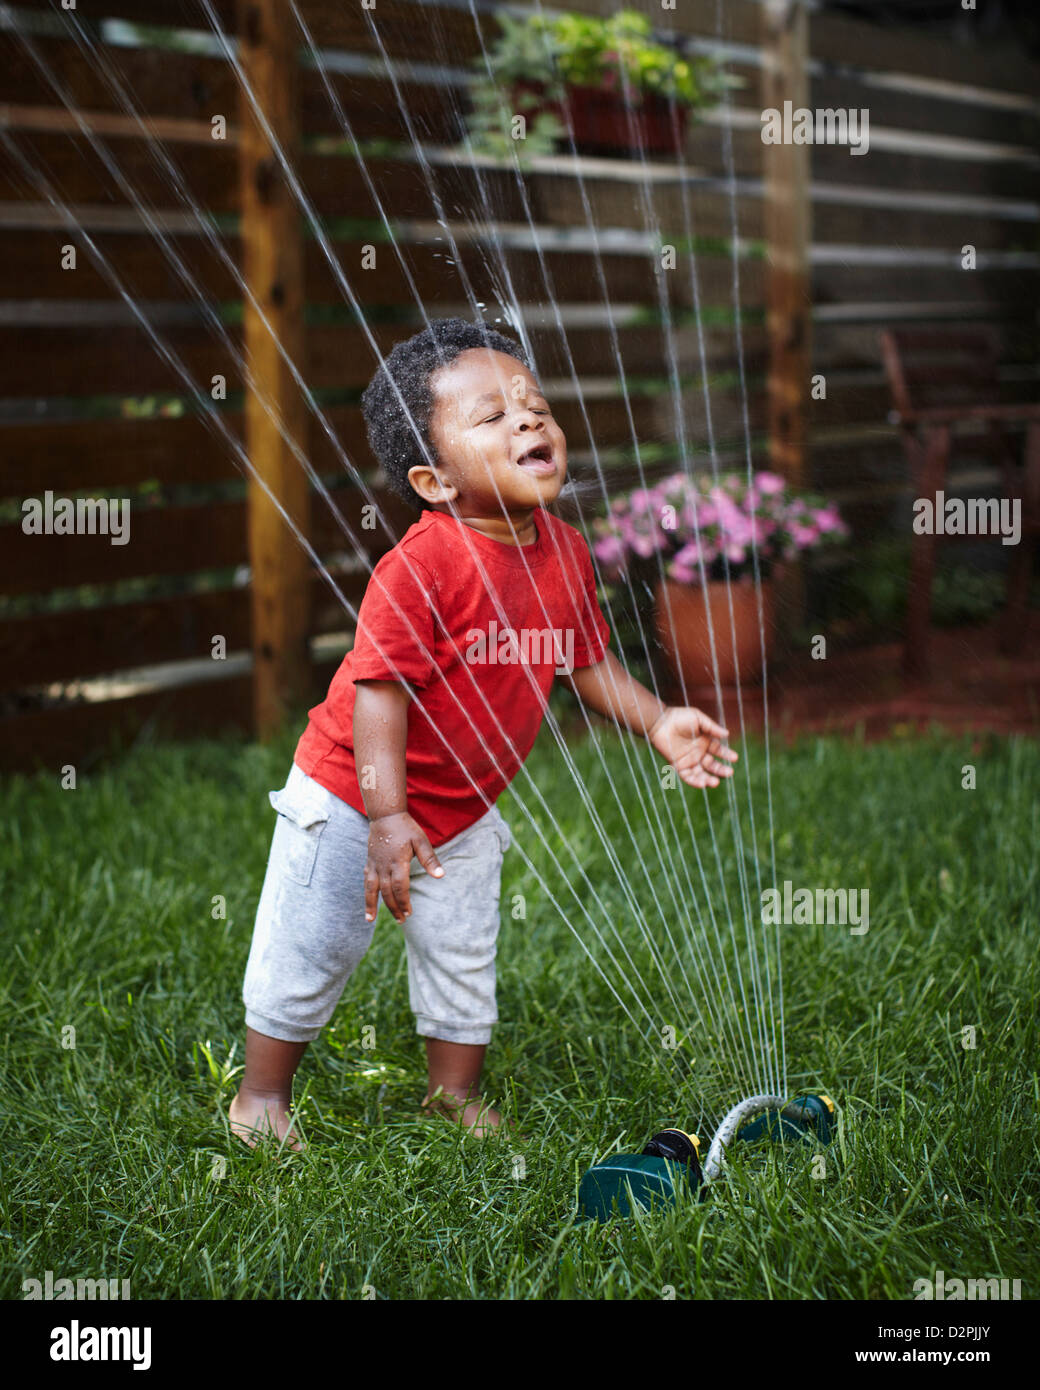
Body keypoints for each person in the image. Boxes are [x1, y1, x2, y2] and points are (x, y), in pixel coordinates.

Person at [229, 318, 737, 1149]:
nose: (530, 422)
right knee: (311, 946)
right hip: (351, 800)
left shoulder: (567, 553)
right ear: (433, 481)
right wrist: (386, 817)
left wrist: (657, 721)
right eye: (494, 417)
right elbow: (378, 697)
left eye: (535, 407)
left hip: (462, 813)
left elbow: (586, 662)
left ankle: (452, 1094)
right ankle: (260, 1095)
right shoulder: (421, 568)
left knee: (464, 954)